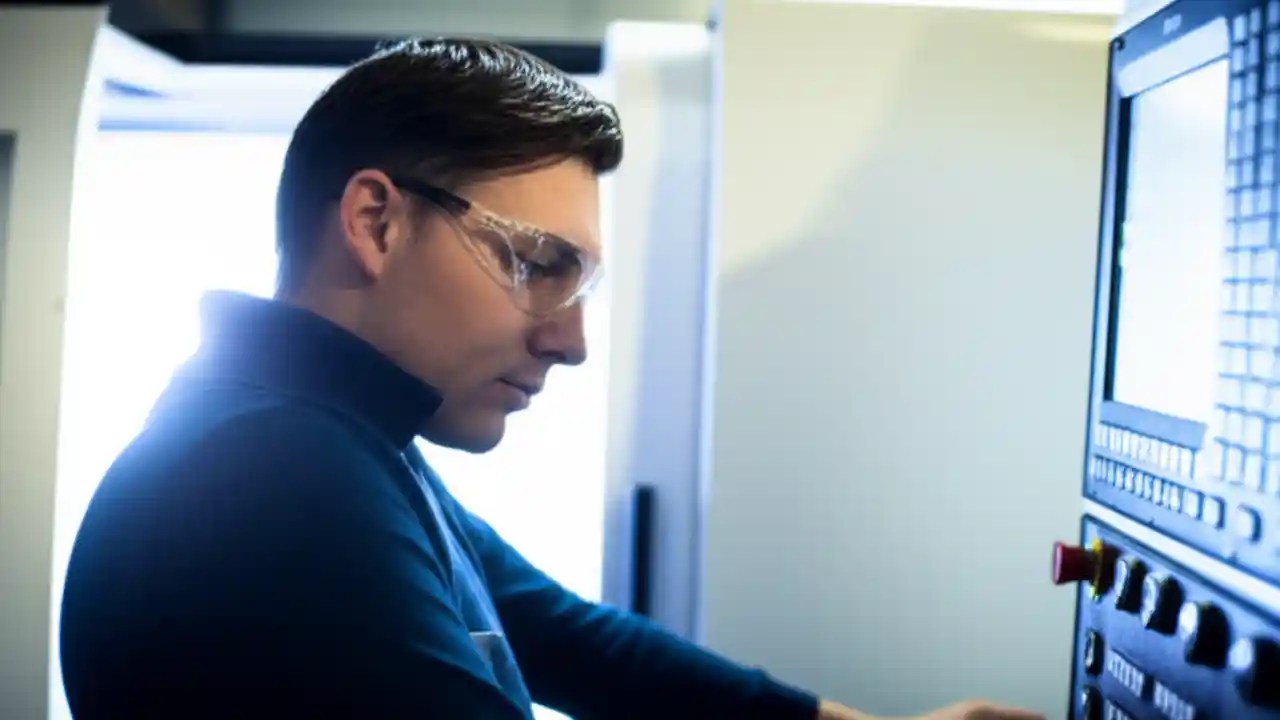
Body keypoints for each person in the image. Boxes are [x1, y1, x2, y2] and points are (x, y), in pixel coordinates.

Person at [59, 38, 1045, 720]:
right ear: (375, 223)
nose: (569, 341)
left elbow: (568, 638)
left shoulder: (326, 435)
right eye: (537, 265)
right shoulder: (274, 476)